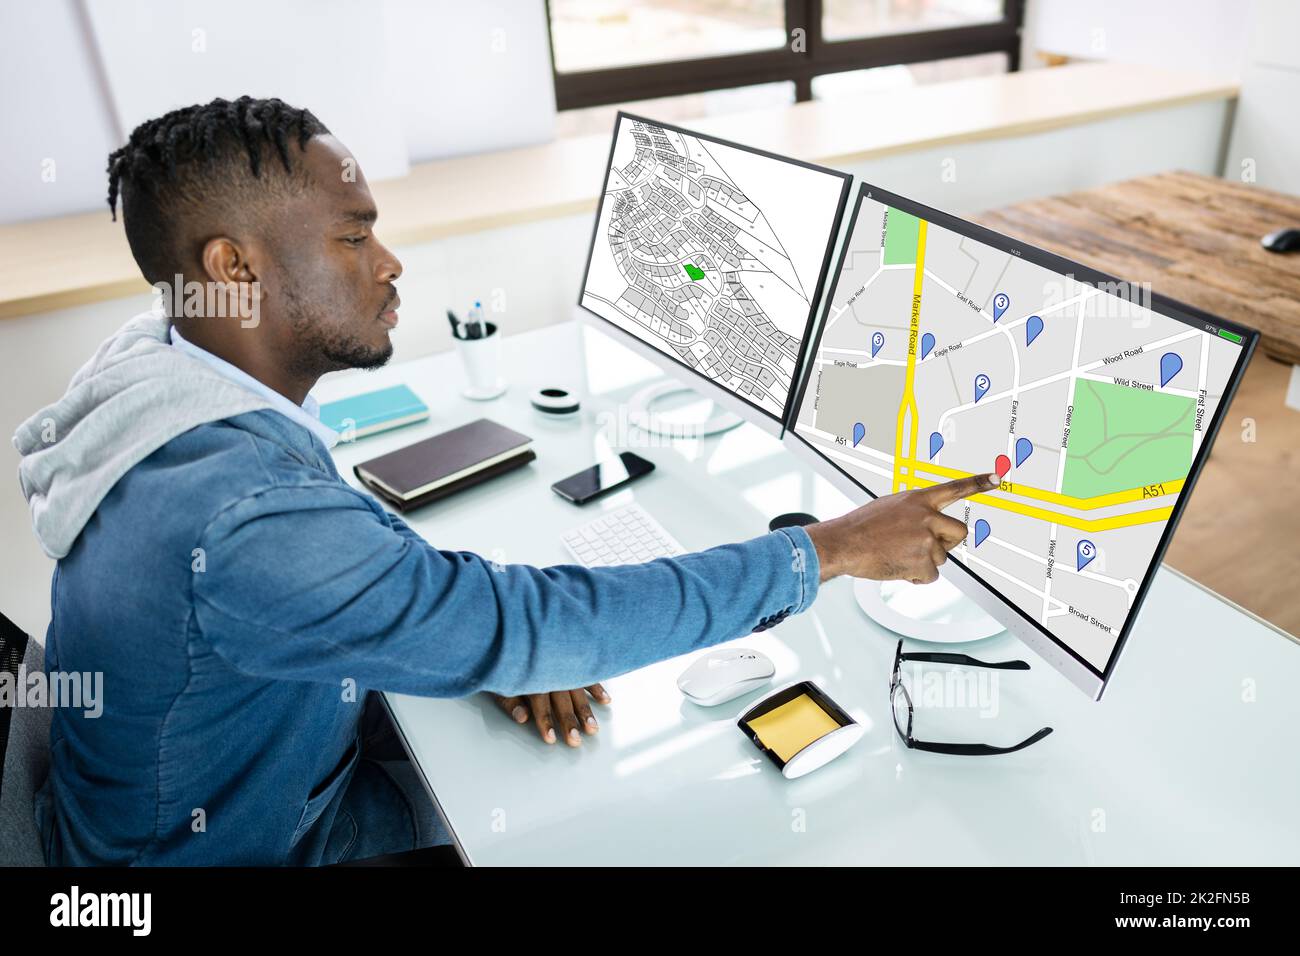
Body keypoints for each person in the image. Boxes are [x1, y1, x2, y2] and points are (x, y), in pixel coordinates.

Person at [13, 97, 996, 866]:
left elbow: (334, 557)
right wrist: (832, 548)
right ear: (233, 267)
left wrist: (467, 642)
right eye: (352, 237)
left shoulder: (158, 361)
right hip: (235, 844)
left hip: (239, 772)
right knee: (639, 821)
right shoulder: (235, 510)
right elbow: (297, 547)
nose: (391, 264)